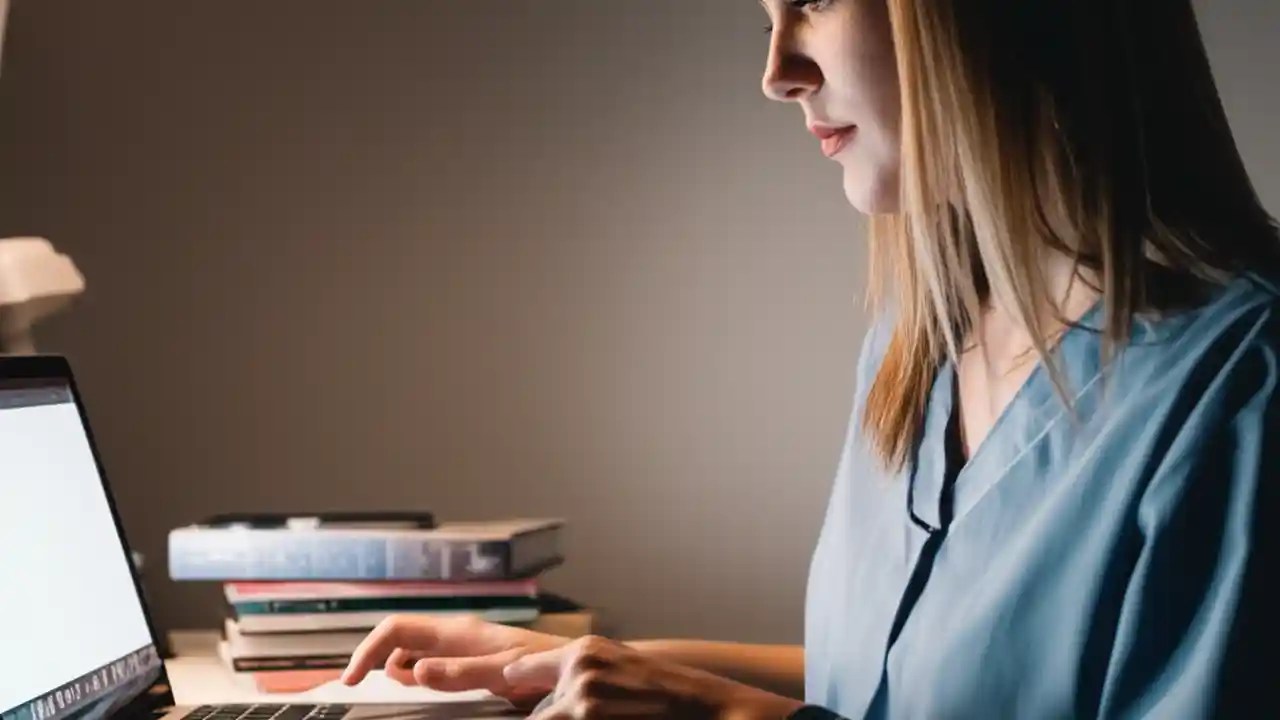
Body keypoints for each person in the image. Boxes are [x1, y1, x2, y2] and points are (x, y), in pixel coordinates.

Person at [341, 0, 1279, 717]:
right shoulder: (917, 347)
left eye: (817, 2)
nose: (777, 71)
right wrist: (527, 660)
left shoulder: (1240, 386)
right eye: (765, 15)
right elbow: (886, 686)